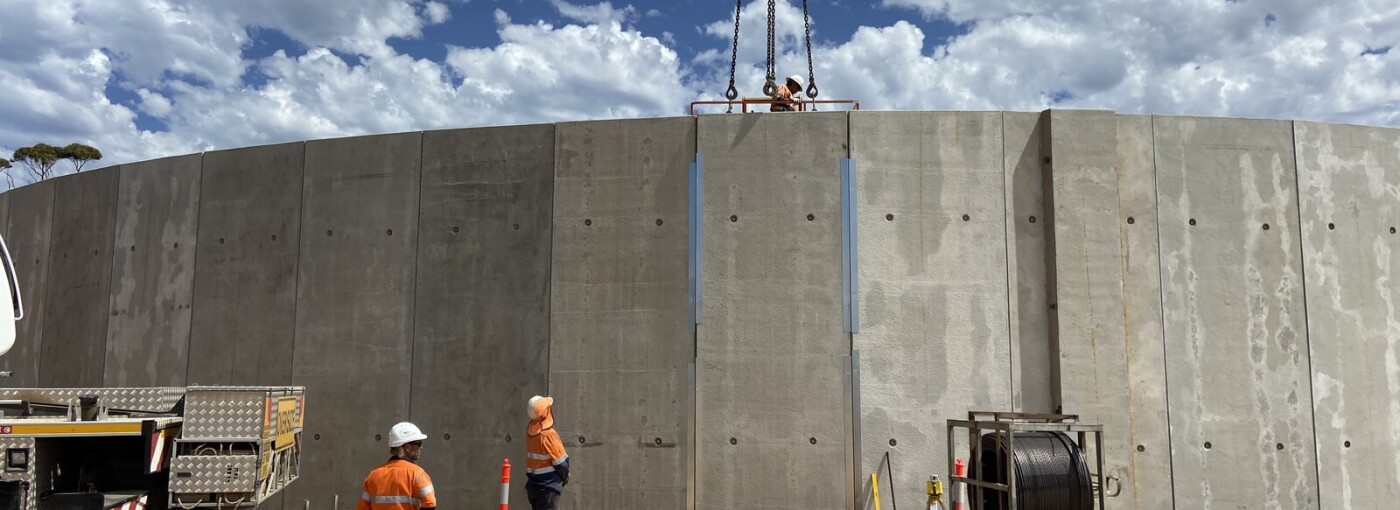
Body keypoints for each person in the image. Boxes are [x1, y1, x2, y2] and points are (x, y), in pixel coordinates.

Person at [358, 422, 437, 510]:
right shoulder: (417, 473)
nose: (421, 447)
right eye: (419, 444)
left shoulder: (373, 475)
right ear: (407, 447)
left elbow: (362, 508)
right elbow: (430, 503)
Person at [525, 395, 570, 510]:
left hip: (534, 487)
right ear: (545, 413)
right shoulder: (548, 435)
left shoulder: (531, 433)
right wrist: (565, 477)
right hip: (547, 489)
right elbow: (560, 463)